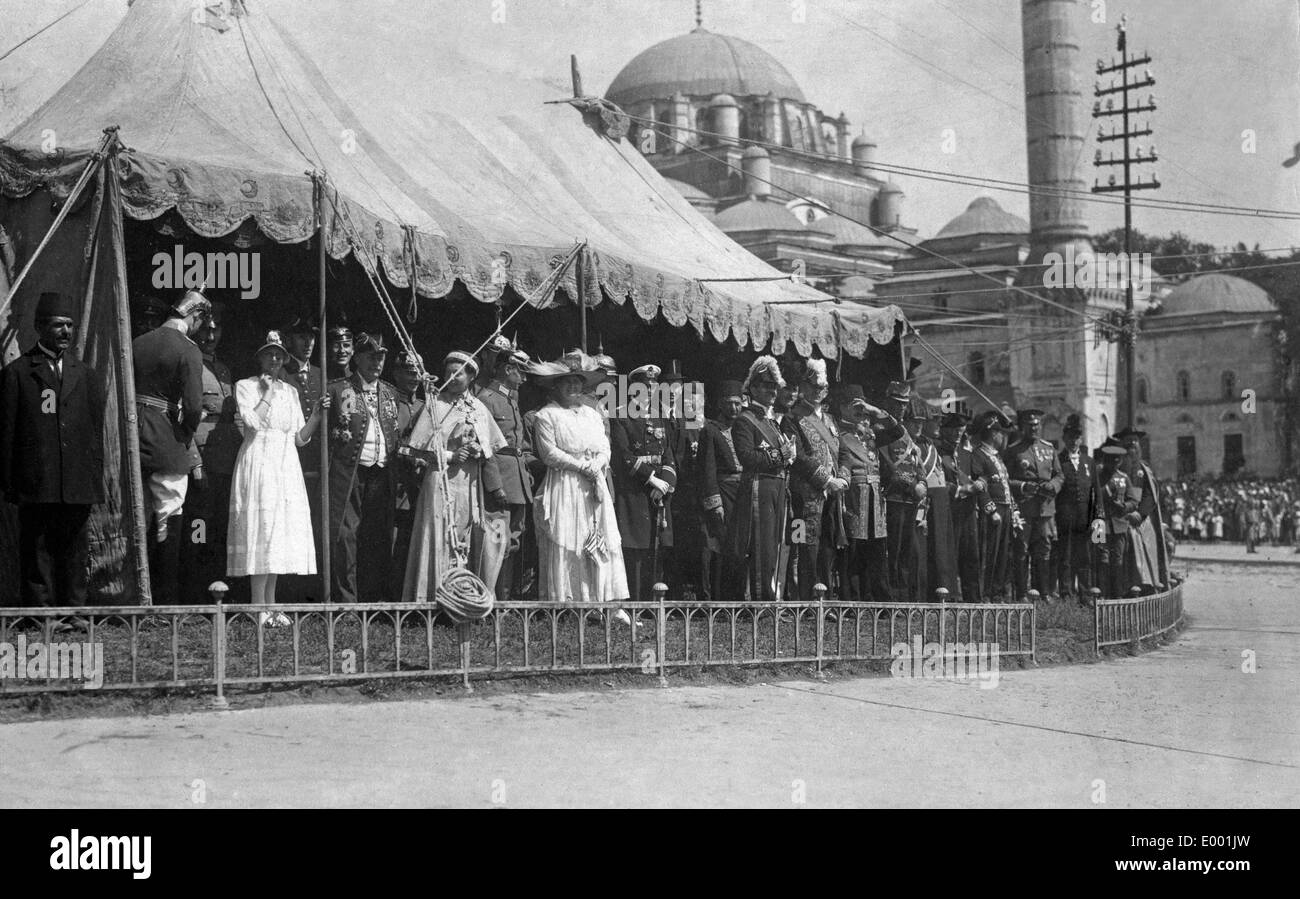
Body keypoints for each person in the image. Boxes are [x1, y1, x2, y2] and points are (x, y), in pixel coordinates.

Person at [0, 291, 105, 607]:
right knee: (38, 551)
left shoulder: (85, 376)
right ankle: (41, 614)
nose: (66, 333)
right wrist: (11, 483)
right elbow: (6, 434)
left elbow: (93, 433)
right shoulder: (17, 373)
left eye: (70, 326)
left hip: (76, 483)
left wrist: (92, 478)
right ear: (39, 327)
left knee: (74, 550)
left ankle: (73, 613)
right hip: (36, 482)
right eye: (59, 325)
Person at [226, 332, 328, 626]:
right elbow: (253, 422)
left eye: (279, 355)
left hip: (285, 463)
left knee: (278, 533)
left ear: (284, 359)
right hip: (259, 460)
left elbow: (299, 438)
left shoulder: (291, 392)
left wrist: (317, 416)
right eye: (269, 354)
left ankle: (272, 605)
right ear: (260, 357)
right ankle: (257, 606)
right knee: (262, 528)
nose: (274, 359)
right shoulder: (245, 386)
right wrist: (267, 393)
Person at [403, 351, 507, 603]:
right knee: (439, 531)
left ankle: (462, 597)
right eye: (448, 373)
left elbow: (491, 444)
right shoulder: (434, 404)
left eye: (458, 373)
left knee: (464, 534)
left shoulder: (478, 407)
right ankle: (430, 595)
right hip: (440, 478)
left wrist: (478, 449)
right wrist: (451, 455)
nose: (451, 377)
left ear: (471, 377)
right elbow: (416, 449)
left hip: (468, 481)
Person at [530, 362, 630, 609]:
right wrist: (582, 467)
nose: (574, 387)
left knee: (599, 536)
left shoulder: (593, 414)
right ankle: (569, 600)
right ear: (556, 386)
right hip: (566, 483)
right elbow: (549, 453)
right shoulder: (546, 415)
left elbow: (605, 446)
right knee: (569, 536)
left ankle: (603, 600)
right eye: (567, 383)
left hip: (594, 482)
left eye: (577, 383)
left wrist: (597, 464)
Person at [133, 289, 209, 604]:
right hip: (167, 441)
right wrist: (186, 432)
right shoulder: (189, 350)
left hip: (133, 435)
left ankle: (137, 595)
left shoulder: (137, 343)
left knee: (140, 517)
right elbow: (192, 408)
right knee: (169, 516)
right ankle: (165, 599)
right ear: (195, 316)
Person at [327, 333, 400, 603]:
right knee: (346, 535)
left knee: (377, 534)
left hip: (382, 471)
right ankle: (346, 599)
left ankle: (374, 596)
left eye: (380, 356)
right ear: (356, 357)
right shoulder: (337, 389)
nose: (376, 362)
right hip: (350, 472)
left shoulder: (391, 393)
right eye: (370, 356)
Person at [180, 302, 239, 603]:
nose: (211, 335)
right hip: (202, 459)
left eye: (216, 329)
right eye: (205, 329)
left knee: (218, 527)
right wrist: (194, 461)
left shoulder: (224, 369)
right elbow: (184, 417)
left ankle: (218, 588)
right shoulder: (190, 364)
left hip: (226, 458)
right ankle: (194, 590)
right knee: (198, 526)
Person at [725, 356, 795, 603]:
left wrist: (788, 456)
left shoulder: (771, 421)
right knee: (761, 546)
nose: (772, 391)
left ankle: (771, 595)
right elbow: (747, 457)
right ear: (753, 388)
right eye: (766, 386)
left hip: (776, 486)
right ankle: (758, 598)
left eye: (774, 386)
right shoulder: (745, 420)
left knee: (775, 544)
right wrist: (780, 455)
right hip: (759, 487)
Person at [474, 337, 537, 601]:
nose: (523, 377)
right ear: (507, 368)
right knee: (495, 540)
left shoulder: (511, 399)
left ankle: (505, 598)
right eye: (520, 371)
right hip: (499, 477)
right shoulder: (486, 399)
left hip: (517, 479)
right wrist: (495, 484)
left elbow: (518, 445)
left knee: (512, 540)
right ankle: (491, 597)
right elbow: (486, 446)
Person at [609, 363, 677, 602]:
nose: (649, 390)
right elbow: (622, 456)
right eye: (645, 386)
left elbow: (669, 454)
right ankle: (636, 602)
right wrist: (651, 478)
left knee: (657, 548)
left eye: (653, 386)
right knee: (636, 549)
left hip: (659, 492)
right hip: (635, 490)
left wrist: (666, 482)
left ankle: (654, 603)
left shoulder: (660, 416)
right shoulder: (620, 415)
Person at [786, 359, 849, 601]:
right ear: (803, 386)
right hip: (804, 497)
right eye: (812, 387)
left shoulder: (831, 420)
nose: (817, 392)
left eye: (821, 388)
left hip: (832, 495)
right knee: (804, 547)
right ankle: (805, 598)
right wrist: (826, 480)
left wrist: (842, 477)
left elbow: (843, 452)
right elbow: (798, 456)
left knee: (827, 546)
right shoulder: (792, 418)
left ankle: (826, 597)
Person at [834, 384, 900, 603]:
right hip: (853, 497)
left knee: (878, 551)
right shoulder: (837, 434)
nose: (860, 412)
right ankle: (852, 600)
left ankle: (882, 601)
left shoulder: (869, 435)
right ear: (842, 407)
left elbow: (897, 431)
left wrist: (875, 411)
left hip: (875, 500)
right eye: (855, 407)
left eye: (862, 407)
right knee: (853, 553)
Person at [1003, 408, 1063, 601]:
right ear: (1022, 427)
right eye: (1030, 425)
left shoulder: (1049, 448)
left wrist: (1052, 486)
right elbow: (1005, 479)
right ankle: (1021, 594)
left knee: (1044, 550)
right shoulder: (1013, 450)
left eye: (1037, 425)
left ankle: (1043, 592)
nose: (1034, 428)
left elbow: (1059, 475)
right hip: (1024, 509)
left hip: (1045, 508)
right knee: (1021, 549)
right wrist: (1022, 486)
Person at [699, 379, 744, 601]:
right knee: (723, 544)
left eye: (737, 404)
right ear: (720, 405)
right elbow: (707, 468)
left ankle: (738, 596)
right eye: (729, 404)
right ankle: (720, 598)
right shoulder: (711, 430)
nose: (733, 409)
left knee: (740, 545)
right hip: (723, 491)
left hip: (743, 491)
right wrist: (714, 502)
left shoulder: (745, 429)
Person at [663, 361, 704, 599]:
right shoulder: (659, 415)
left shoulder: (691, 418)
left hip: (688, 488)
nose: (674, 391)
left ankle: (682, 587)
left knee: (686, 539)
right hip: (667, 484)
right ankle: (668, 586)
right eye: (668, 386)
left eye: (677, 387)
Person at [969, 411, 1018, 602]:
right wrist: (991, 510)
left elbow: (1004, 484)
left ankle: (997, 591)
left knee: (1002, 553)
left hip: (1005, 509)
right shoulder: (979, 455)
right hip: (993, 511)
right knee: (989, 552)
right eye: (1000, 433)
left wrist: (1013, 510)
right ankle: (985, 593)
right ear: (992, 433)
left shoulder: (997, 456)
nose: (1003, 436)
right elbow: (980, 486)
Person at [937, 411, 984, 603]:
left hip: (968, 510)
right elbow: (939, 482)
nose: (958, 434)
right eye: (954, 430)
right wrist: (961, 489)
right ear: (945, 431)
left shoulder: (966, 453)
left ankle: (973, 597)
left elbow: (982, 473)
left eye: (961, 430)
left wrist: (981, 482)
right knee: (951, 551)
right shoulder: (939, 452)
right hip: (949, 509)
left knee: (971, 552)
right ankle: (951, 595)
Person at [390, 348, 427, 593]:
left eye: (418, 372)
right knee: (392, 539)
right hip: (394, 481)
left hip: (419, 483)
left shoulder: (426, 406)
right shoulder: (390, 402)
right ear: (396, 373)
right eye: (408, 371)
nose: (414, 376)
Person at [1116, 426, 1169, 591]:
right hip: (1120, 516)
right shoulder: (1116, 468)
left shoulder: (1145, 470)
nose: (1131, 444)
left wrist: (1140, 513)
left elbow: (1150, 495)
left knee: (1146, 552)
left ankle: (1147, 586)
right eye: (1128, 442)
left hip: (1141, 520)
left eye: (1135, 441)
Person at [1053, 414, 1094, 600]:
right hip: (1065, 518)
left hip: (1085, 519)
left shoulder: (1088, 462)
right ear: (1064, 438)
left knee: (1085, 557)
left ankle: (1085, 595)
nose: (1074, 441)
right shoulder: (1058, 460)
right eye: (1070, 437)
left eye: (1077, 437)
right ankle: (1067, 595)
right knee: (1066, 557)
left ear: (1081, 439)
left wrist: (1098, 522)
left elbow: (1097, 495)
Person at [1093, 441, 1139, 598]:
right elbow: (1092, 496)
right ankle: (1101, 595)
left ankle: (1117, 594)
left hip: (1119, 525)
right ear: (1105, 459)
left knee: (1118, 559)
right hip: (1099, 524)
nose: (1113, 464)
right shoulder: (1097, 476)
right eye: (1110, 460)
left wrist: (1124, 507)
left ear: (1119, 461)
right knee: (1101, 558)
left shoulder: (1124, 478)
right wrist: (1106, 490)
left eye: (1116, 460)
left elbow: (1133, 501)